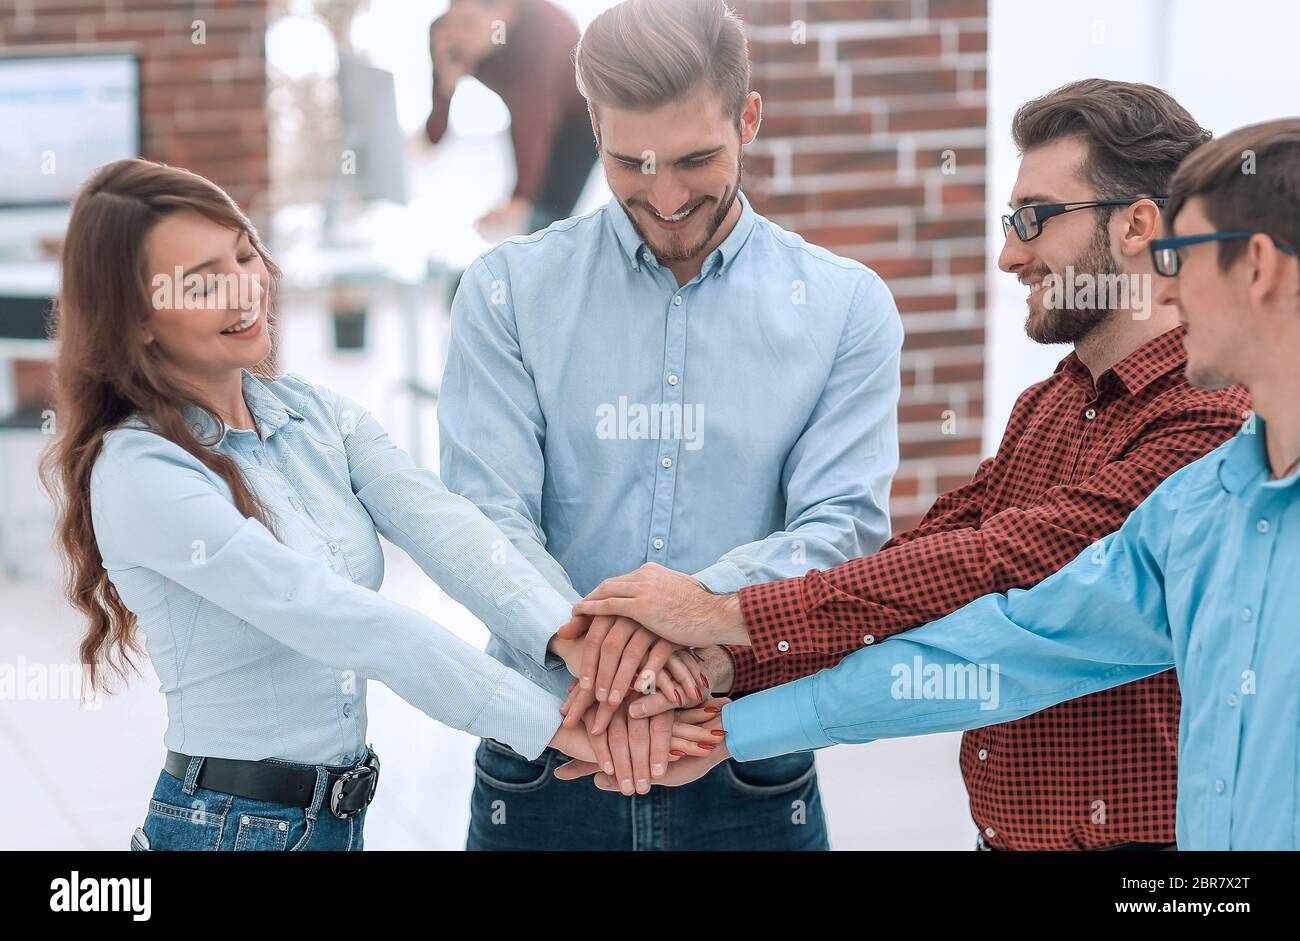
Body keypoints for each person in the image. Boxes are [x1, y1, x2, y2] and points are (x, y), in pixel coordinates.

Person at [565, 80, 1252, 850]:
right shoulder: (1049, 407)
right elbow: (921, 571)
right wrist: (724, 665)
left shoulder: (1208, 419)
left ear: (1138, 226)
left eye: (1033, 219)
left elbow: (1000, 568)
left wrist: (721, 618)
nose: (1007, 255)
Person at [39, 158, 711, 851]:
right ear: (138, 319)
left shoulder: (314, 414)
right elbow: (347, 620)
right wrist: (563, 725)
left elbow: (447, 528)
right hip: (225, 829)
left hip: (331, 820)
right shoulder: (140, 470)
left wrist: (586, 650)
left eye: (245, 253)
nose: (245, 288)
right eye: (204, 281)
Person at [439, 0, 903, 850]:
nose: (666, 195)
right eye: (633, 162)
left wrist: (693, 623)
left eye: (697, 159)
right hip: (544, 756)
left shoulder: (846, 307)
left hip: (748, 761)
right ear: (594, 126)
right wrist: (606, 661)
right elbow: (484, 518)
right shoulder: (506, 291)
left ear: (748, 118)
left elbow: (841, 527)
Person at [426, 0, 596, 237]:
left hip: (580, 118)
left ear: (505, 12)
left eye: (469, 24)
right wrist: (445, 84)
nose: (458, 36)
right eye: (453, 21)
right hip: (525, 116)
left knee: (547, 222)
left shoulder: (539, 33)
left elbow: (535, 116)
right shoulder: (445, 34)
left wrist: (520, 201)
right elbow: (434, 136)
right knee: (515, 223)